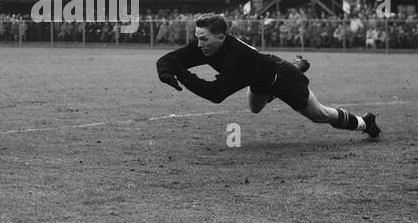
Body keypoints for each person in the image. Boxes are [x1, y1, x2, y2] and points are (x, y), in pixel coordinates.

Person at [156, 13, 380, 140]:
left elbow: (216, 94)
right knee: (255, 109)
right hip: (259, 77)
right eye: (198, 38)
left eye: (203, 39)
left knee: (319, 115)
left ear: (221, 37)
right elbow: (168, 59)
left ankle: (364, 122)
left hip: (281, 78)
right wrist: (165, 71)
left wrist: (182, 74)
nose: (199, 44)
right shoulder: (205, 46)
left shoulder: (238, 58)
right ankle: (296, 66)